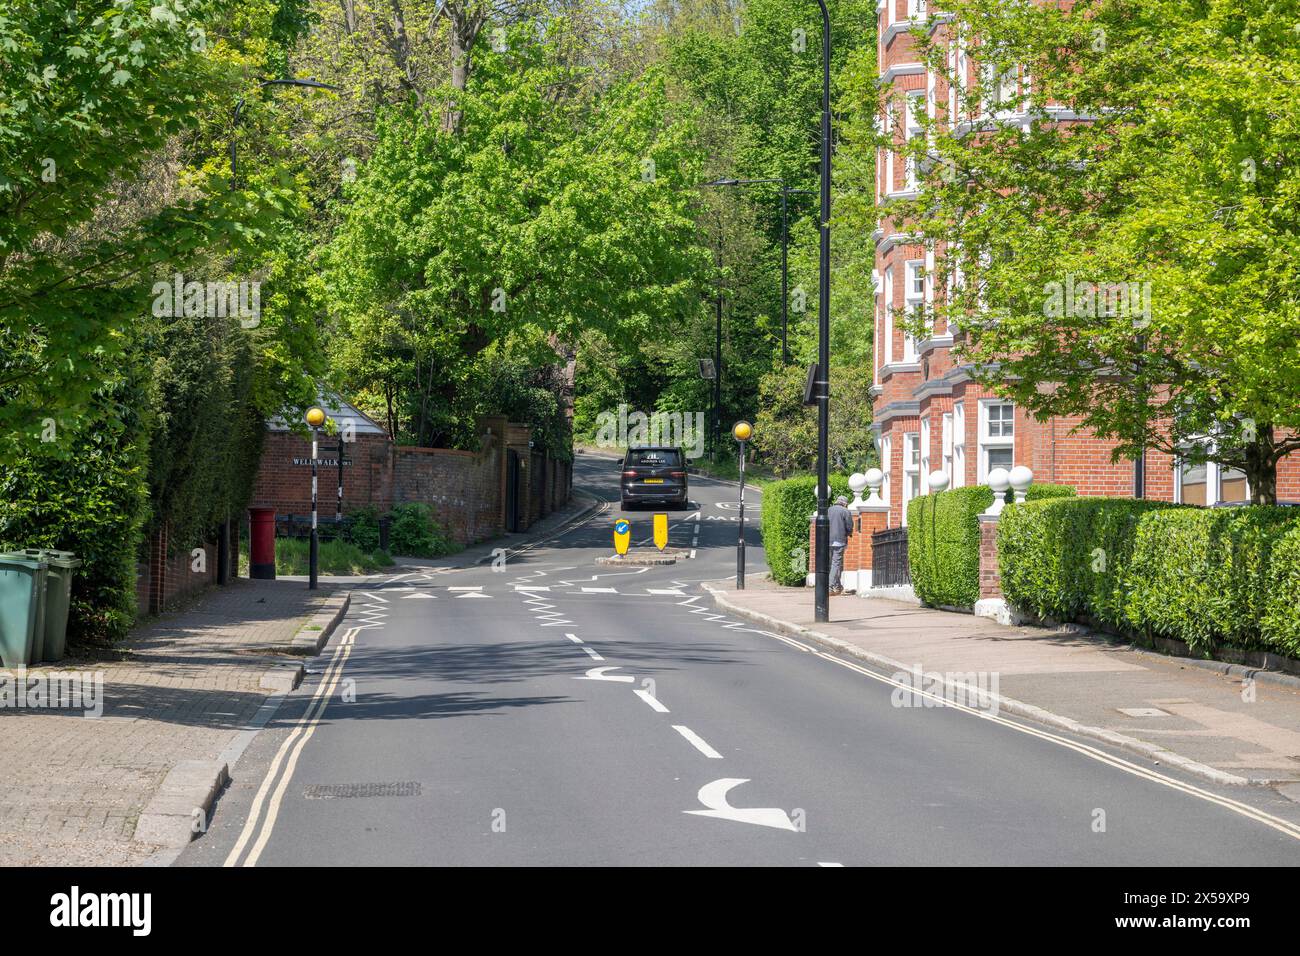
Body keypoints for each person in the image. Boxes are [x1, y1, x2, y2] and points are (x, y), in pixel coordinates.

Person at [828, 494, 853, 595]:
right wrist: (848, 533)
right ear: (845, 504)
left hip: (826, 540)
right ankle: (829, 587)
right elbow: (849, 526)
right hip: (839, 540)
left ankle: (838, 587)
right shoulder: (845, 511)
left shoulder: (828, 510)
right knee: (836, 564)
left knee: (833, 564)